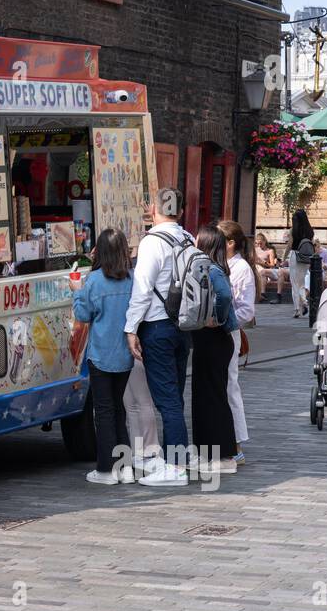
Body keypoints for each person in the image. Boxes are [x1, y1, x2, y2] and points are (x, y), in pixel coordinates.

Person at [124, 188, 194, 487]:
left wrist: (130, 327)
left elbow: (142, 288)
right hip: (184, 325)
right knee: (174, 397)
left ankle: (175, 467)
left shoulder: (153, 242)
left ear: (154, 207)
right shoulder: (188, 238)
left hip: (157, 325)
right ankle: (177, 460)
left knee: (168, 402)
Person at [72, 228, 135, 486]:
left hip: (100, 354)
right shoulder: (132, 279)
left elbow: (82, 314)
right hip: (125, 354)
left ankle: (107, 470)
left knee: (104, 411)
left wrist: (76, 289)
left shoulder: (94, 281)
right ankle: (125, 467)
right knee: (119, 409)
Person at [191, 226, 238, 474]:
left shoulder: (212, 269)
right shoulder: (206, 267)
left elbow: (224, 296)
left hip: (214, 338)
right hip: (207, 339)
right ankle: (208, 452)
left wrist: (215, 319)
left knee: (213, 396)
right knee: (204, 395)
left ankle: (224, 454)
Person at [219, 219, 256, 462]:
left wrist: (224, 317)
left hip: (228, 331)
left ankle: (236, 442)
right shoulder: (220, 264)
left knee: (231, 386)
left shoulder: (241, 268)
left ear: (230, 243)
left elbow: (247, 310)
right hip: (217, 332)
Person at [287, 209, 315, 318]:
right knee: (302, 282)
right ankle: (304, 302)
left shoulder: (293, 231)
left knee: (295, 283)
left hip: (295, 256)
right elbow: (311, 245)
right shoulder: (310, 231)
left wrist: (283, 258)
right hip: (306, 258)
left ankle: (297, 309)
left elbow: (289, 245)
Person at [254, 232, 284, 304]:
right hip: (256, 267)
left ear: (264, 241)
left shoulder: (270, 251)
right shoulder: (255, 249)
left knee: (261, 271)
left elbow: (272, 265)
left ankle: (262, 294)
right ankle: (261, 294)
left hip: (264, 268)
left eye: (260, 243)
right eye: (257, 243)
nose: (259, 245)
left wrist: (263, 263)